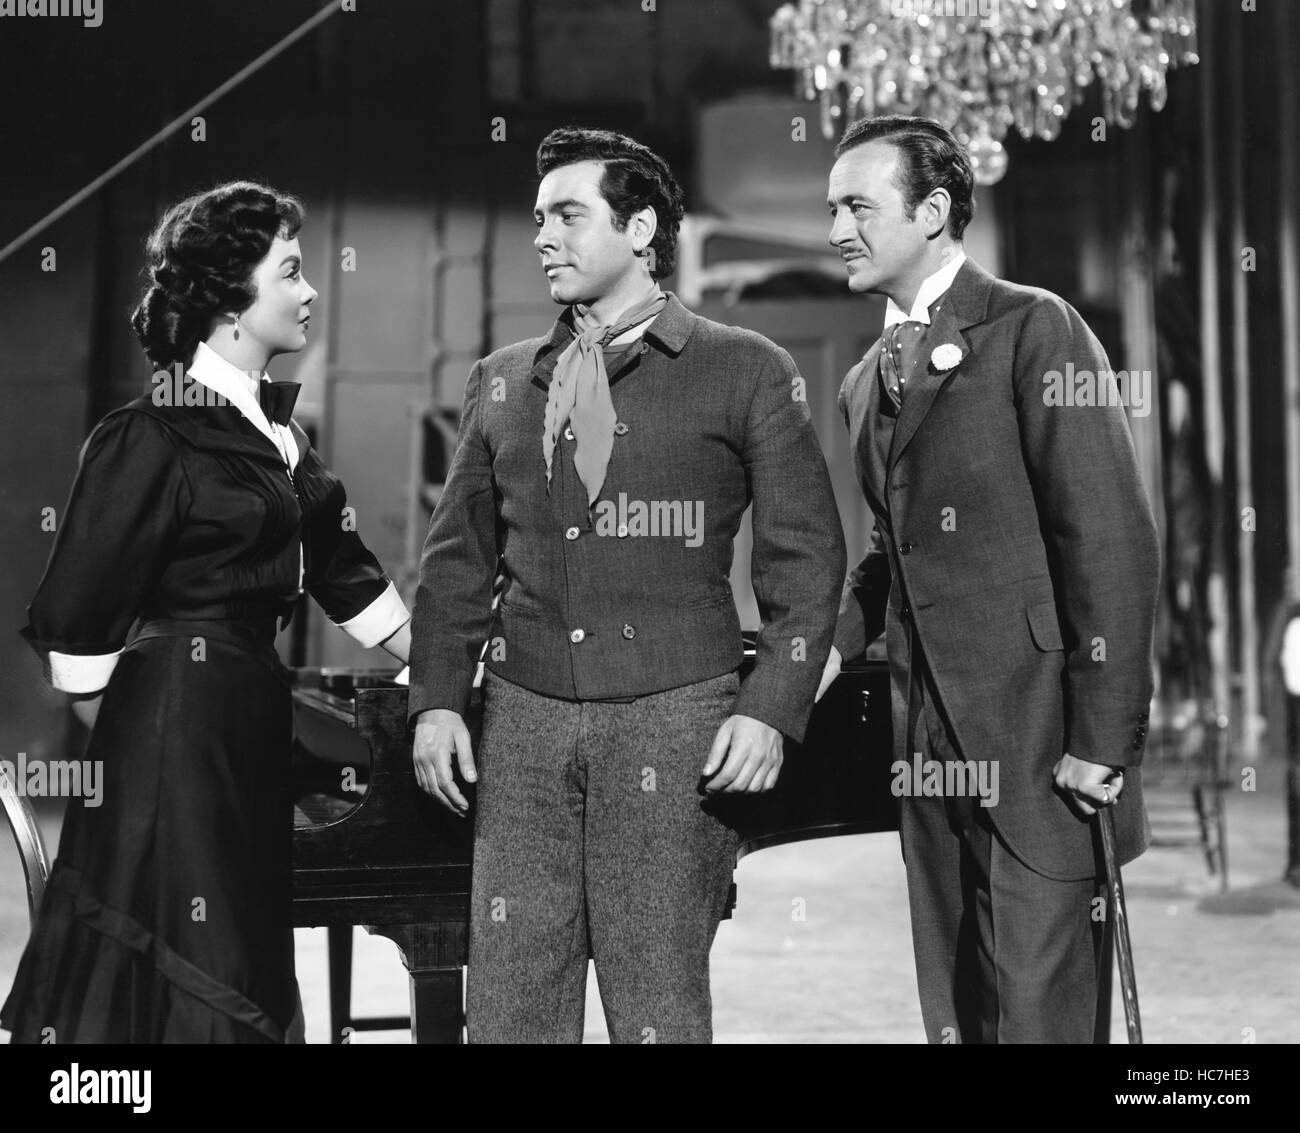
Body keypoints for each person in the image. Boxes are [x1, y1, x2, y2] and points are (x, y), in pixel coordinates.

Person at [408, 126, 846, 1044]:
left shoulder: (745, 369)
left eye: (569, 215)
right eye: (538, 219)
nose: (543, 237)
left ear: (640, 227)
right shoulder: (502, 383)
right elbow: (455, 563)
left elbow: (806, 563)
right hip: (522, 727)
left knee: (655, 1004)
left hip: (673, 720)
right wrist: (438, 700)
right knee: (511, 1006)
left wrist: (771, 707)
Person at [1, 181, 411, 1043]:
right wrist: (164, 707)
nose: (309, 290)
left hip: (246, 718)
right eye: (290, 272)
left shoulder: (283, 440)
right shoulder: (149, 433)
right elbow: (77, 643)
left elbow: (355, 583)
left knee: (248, 952)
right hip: (178, 735)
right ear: (231, 297)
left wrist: (453, 664)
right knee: (202, 970)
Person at [816, 116, 1160, 1043]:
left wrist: (1105, 736)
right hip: (927, 748)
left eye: (858, 205)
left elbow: (1110, 539)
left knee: (1038, 1018)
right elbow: (893, 558)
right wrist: (823, 647)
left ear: (932, 211)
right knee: (961, 1013)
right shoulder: (859, 383)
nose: (837, 229)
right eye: (832, 208)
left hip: (1043, 745)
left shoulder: (1032, 327)